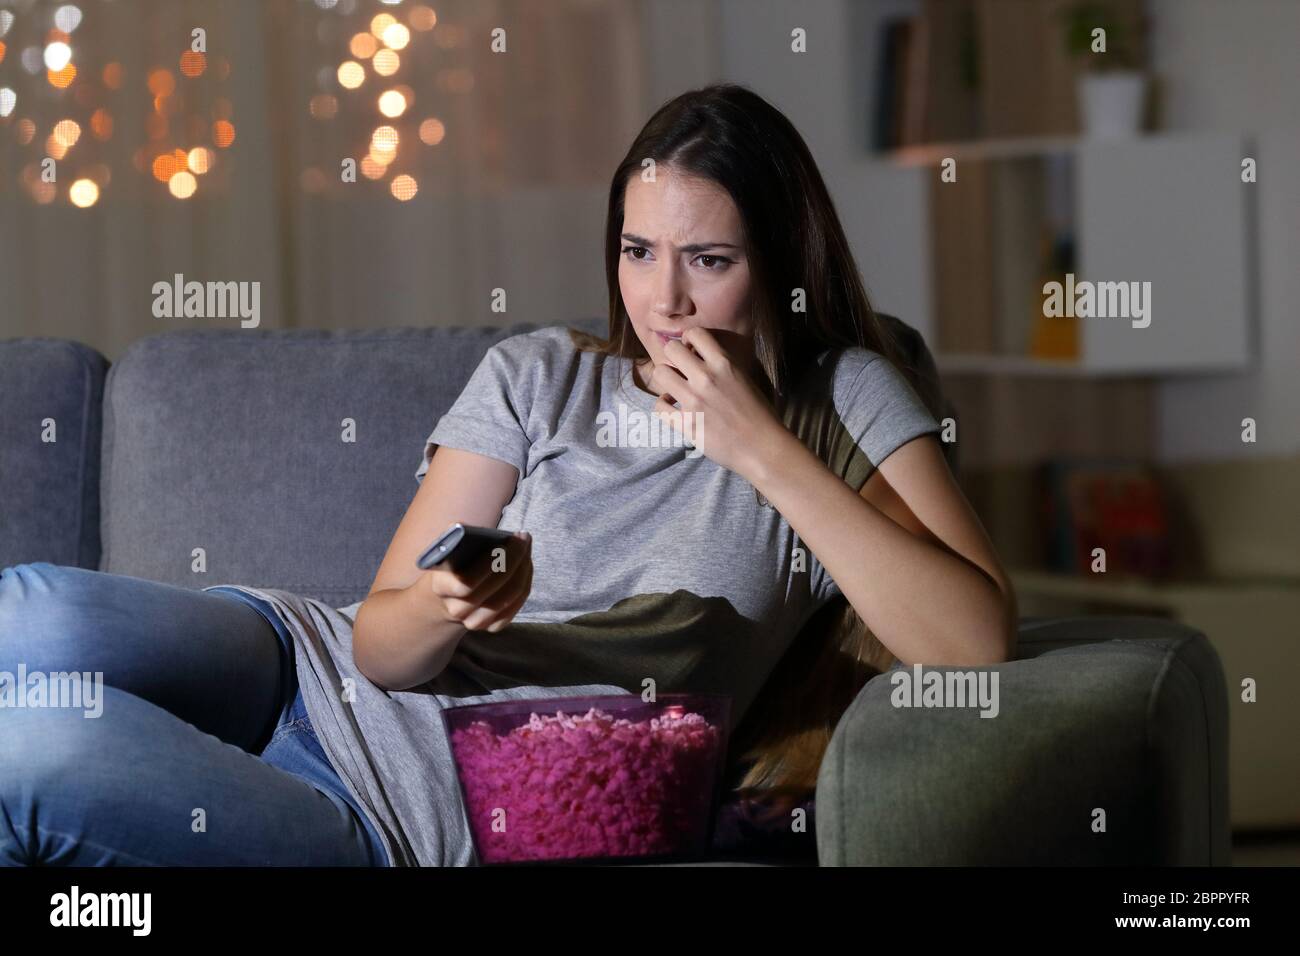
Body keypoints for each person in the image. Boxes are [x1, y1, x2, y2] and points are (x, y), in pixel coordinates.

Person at [0, 83, 1015, 867]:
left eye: (707, 259)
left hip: (409, 801)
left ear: (782, 262)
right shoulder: (542, 373)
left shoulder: (844, 396)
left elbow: (972, 638)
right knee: (33, 613)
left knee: (36, 747)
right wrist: (445, 601)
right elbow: (382, 644)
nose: (662, 299)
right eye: (637, 249)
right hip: (302, 665)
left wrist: (756, 446)